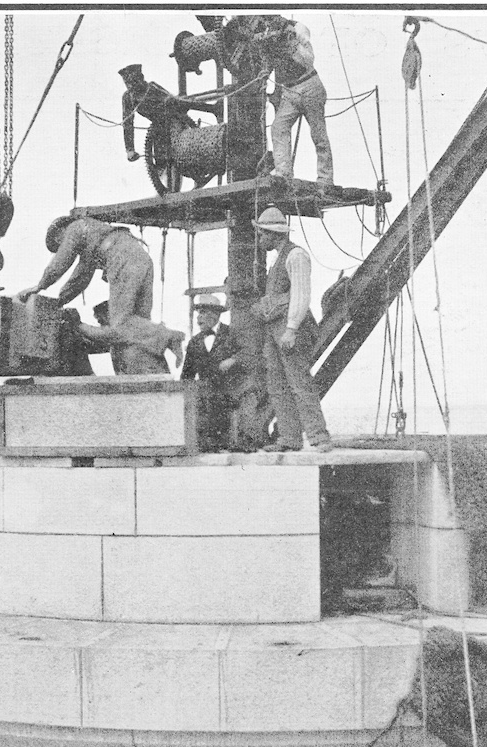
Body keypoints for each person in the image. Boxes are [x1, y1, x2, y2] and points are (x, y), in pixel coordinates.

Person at [17, 216, 183, 374]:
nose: (61, 247)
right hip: (140, 257)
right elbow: (80, 278)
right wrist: (60, 301)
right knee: (137, 324)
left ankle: (168, 336)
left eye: (58, 245)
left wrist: (39, 286)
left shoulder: (75, 228)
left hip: (122, 259)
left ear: (59, 231)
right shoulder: (93, 237)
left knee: (121, 324)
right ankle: (152, 360)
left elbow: (60, 263)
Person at [250, 207, 333, 452]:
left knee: (299, 383)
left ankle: (319, 437)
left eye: (262, 235)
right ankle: (290, 437)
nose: (260, 240)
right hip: (274, 329)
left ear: (272, 234)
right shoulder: (279, 257)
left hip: (289, 329)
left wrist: (291, 329)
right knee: (277, 384)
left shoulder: (295, 256)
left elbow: (301, 295)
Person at [266, 18, 334, 187]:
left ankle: (325, 179)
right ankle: (283, 173)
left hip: (309, 84)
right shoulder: (268, 37)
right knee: (278, 127)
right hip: (290, 91)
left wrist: (292, 44)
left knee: (318, 134)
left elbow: (308, 59)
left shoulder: (297, 29)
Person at [181, 295, 242, 452]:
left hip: (231, 390)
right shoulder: (194, 342)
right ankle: (206, 442)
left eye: (203, 313)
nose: (199, 318)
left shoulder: (232, 334)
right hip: (206, 395)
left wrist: (233, 360)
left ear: (215, 315)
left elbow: (249, 356)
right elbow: (186, 376)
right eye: (198, 314)